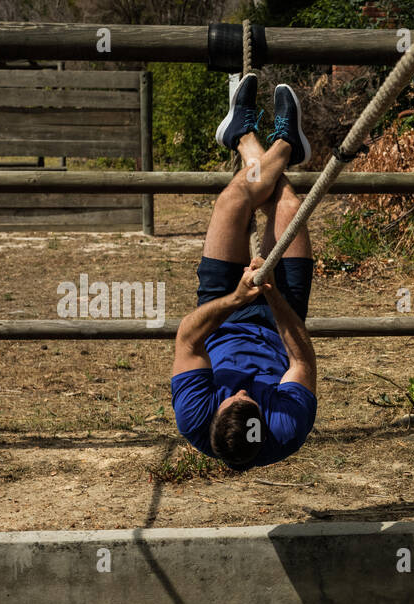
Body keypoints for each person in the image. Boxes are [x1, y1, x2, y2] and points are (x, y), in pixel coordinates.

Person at [170, 73, 317, 471]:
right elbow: (302, 361)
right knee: (287, 204)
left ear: (217, 414)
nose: (238, 389)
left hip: (221, 313)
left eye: (231, 398)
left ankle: (266, 142)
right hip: (278, 323)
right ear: (263, 417)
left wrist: (235, 299)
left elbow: (187, 338)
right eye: (248, 398)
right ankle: (271, 143)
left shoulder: (194, 416)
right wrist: (271, 295)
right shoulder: (286, 426)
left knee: (234, 200)